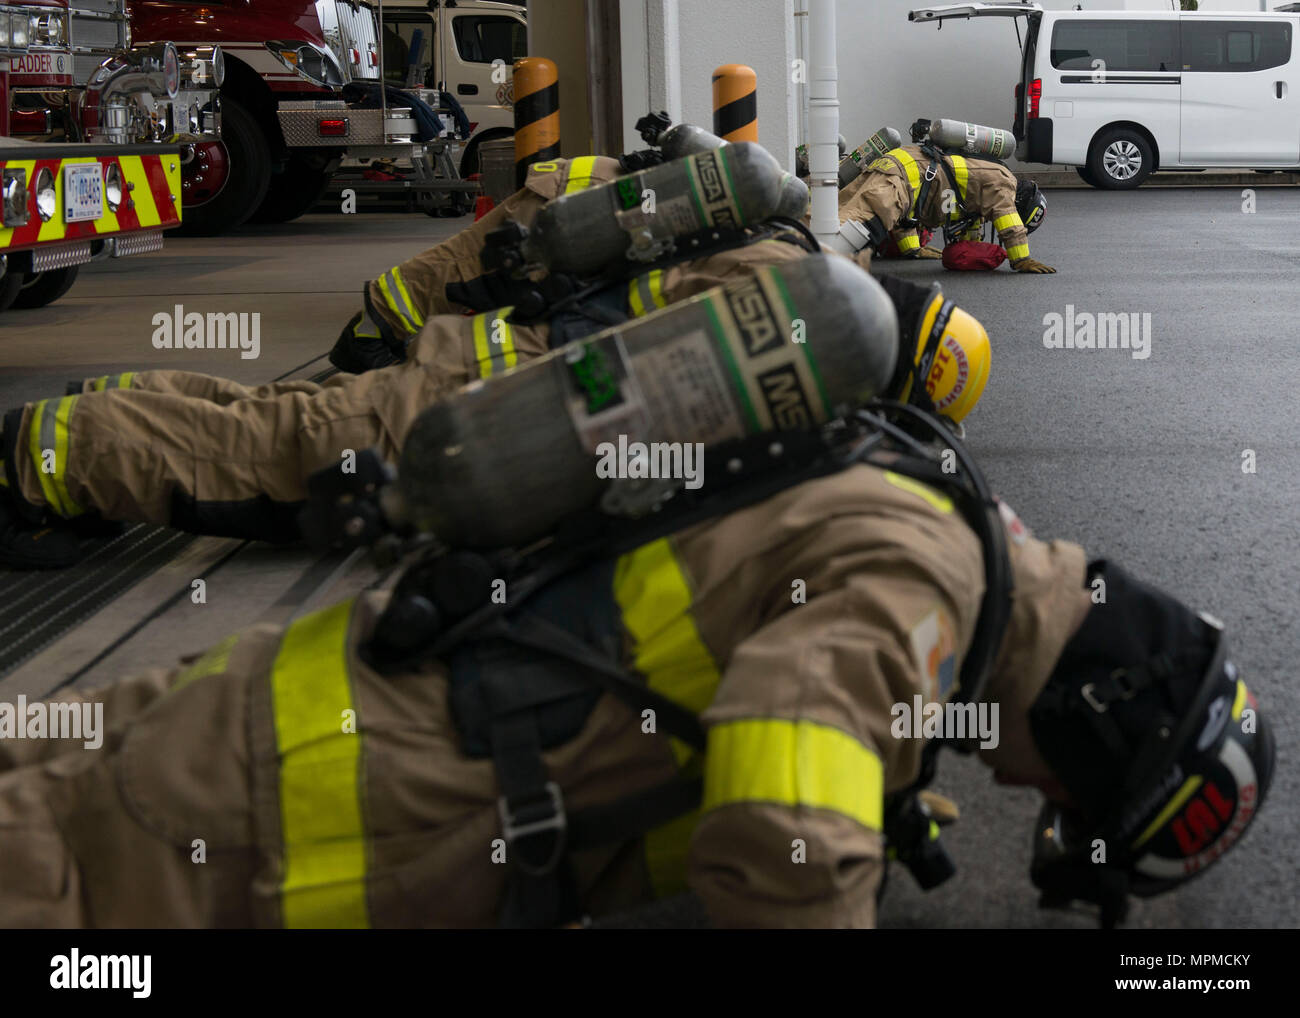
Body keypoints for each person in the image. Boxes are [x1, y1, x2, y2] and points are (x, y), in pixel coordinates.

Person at [0, 364, 1272, 928]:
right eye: (1065, 799)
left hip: (287, 727)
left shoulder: (934, 539)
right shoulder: (919, 589)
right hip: (274, 819)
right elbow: (782, 846)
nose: (1028, 800)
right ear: (1092, 727)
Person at [0, 173, 990, 567]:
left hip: (492, 365)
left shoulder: (790, 278)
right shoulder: (799, 333)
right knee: (264, 448)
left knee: (275, 419)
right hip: (492, 400)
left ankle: (101, 416)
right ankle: (39, 461)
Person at [833, 142, 1055, 273]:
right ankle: (806, 260)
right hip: (902, 174)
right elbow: (1008, 220)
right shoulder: (1002, 181)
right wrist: (1021, 258)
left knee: (832, 211)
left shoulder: (980, 192)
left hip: (900, 168)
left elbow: (910, 210)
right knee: (852, 229)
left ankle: (804, 241)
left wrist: (913, 249)